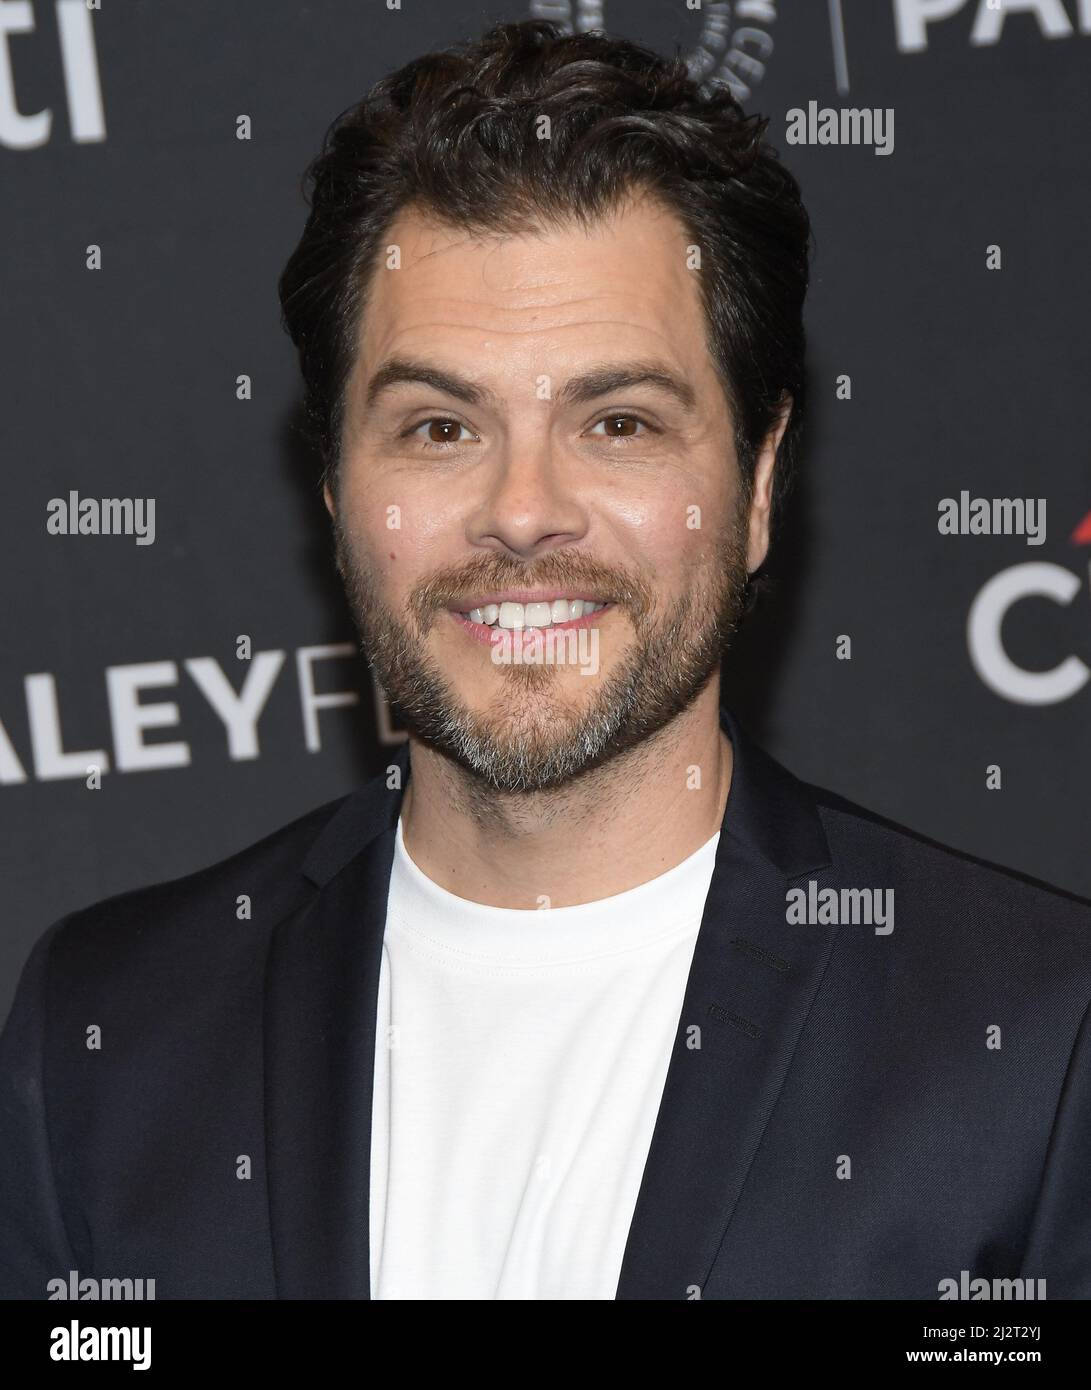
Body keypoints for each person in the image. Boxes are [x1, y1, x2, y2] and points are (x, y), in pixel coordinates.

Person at [2, 19, 1089, 1302]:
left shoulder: (1032, 1041)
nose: (522, 510)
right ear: (337, 490)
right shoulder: (107, 1027)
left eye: (617, 421)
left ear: (753, 485)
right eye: (439, 425)